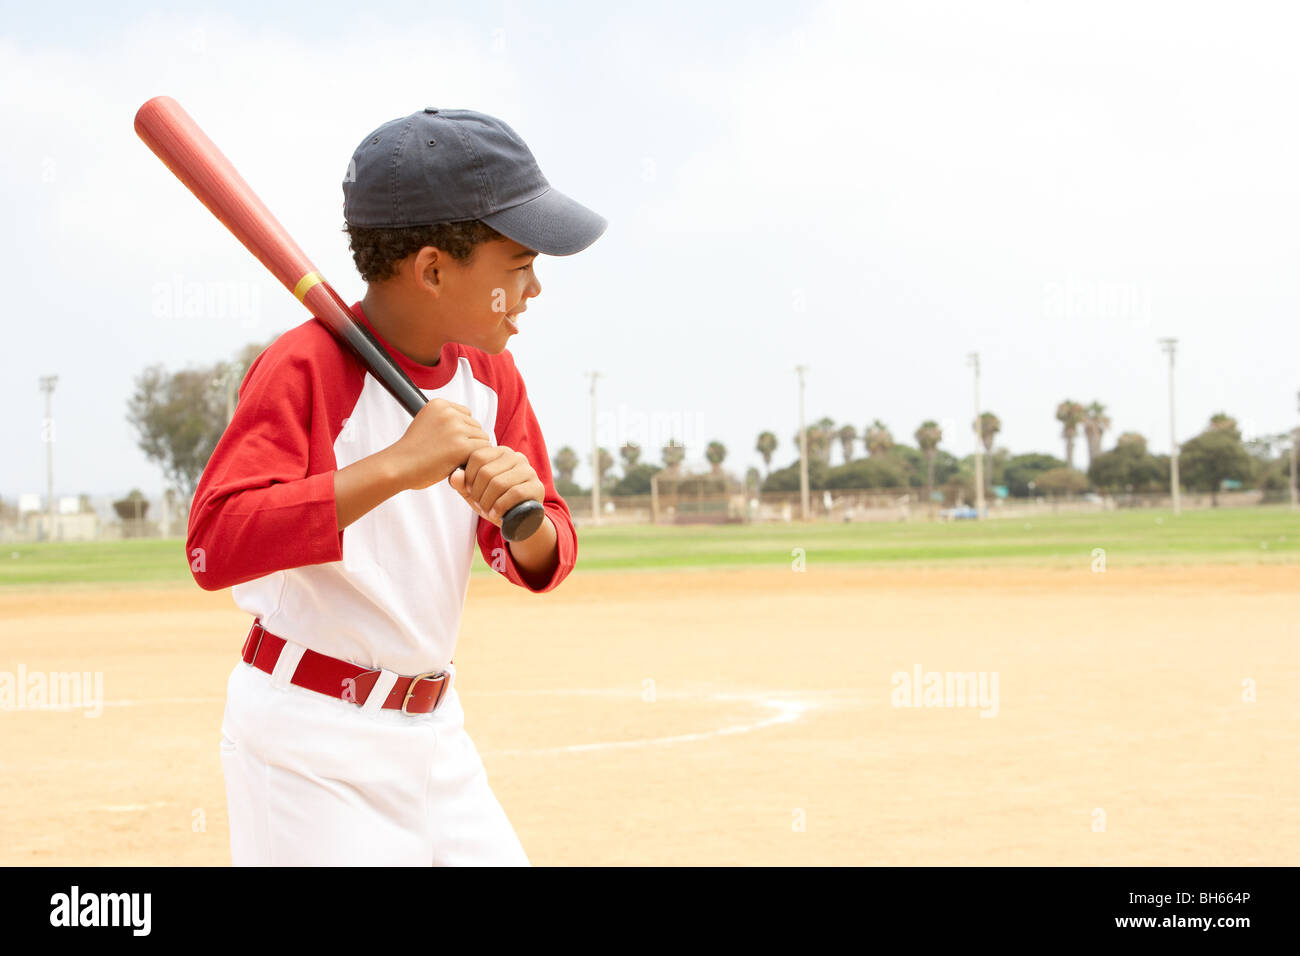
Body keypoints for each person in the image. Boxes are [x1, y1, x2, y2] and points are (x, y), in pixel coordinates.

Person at [186, 107, 606, 865]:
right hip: (311, 745)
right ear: (435, 269)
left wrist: (527, 521)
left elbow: (541, 555)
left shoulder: (490, 375)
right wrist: (392, 470)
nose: (535, 288)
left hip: (437, 736)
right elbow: (214, 545)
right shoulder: (306, 366)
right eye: (519, 264)